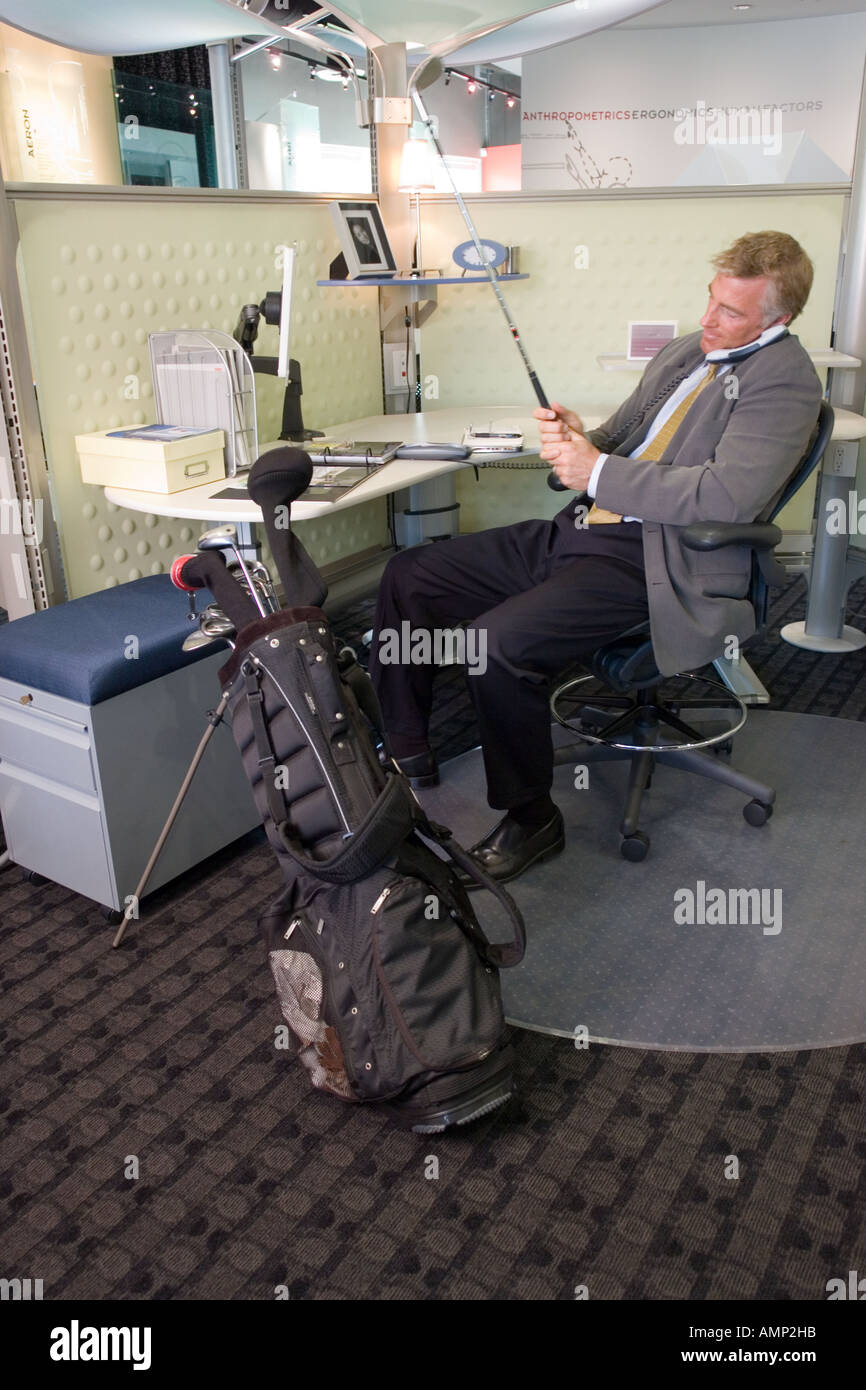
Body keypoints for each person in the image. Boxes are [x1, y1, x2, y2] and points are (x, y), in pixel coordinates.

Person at [369, 231, 822, 885]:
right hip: (581, 529)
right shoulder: (686, 353)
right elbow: (621, 440)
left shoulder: (784, 382)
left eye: (731, 311)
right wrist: (580, 439)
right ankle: (407, 748)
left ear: (778, 319)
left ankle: (532, 818)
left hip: (657, 556)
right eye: (711, 300)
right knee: (410, 574)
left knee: (496, 644)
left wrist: (597, 468)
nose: (707, 320)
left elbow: (723, 496)